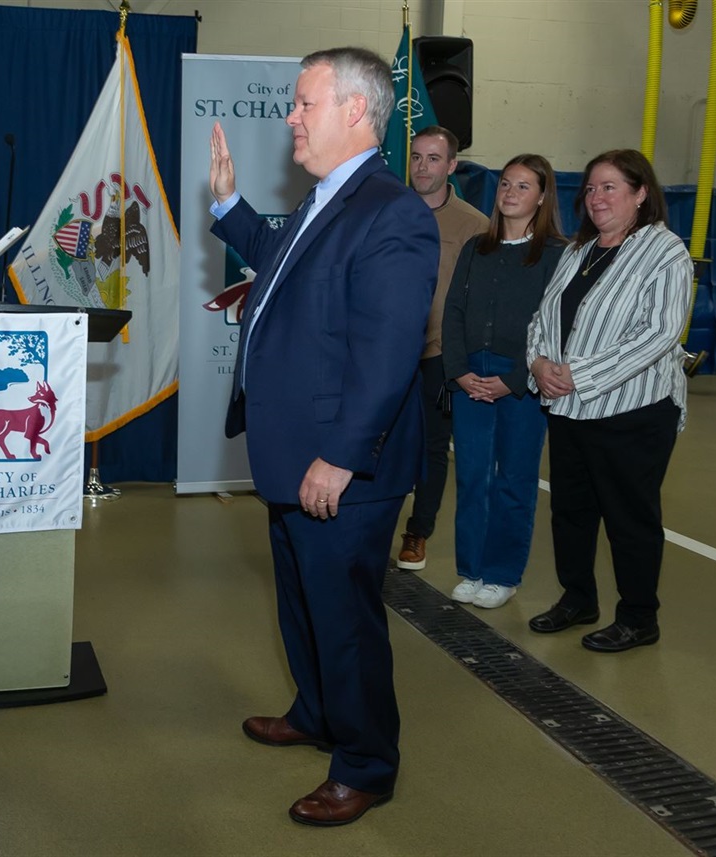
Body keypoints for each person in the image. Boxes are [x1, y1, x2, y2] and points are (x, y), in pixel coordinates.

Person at [208, 47, 437, 826]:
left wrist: (340, 455)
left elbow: (388, 349)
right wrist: (231, 207)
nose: (290, 118)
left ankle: (366, 762)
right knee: (304, 605)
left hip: (342, 463)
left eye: (305, 104)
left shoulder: (391, 211)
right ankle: (315, 711)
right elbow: (285, 263)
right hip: (292, 453)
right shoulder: (329, 199)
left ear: (356, 112)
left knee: (344, 620)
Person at [525, 149, 692, 652]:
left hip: (634, 411)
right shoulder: (580, 251)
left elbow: (659, 334)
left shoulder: (666, 253)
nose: (596, 198)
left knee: (629, 517)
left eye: (610, 187)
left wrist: (577, 375)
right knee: (571, 511)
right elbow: (543, 317)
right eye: (591, 189)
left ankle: (639, 616)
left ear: (642, 194)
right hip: (571, 409)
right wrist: (538, 364)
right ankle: (578, 598)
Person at [441, 155, 566, 609]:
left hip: (522, 380)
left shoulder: (556, 254)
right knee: (474, 476)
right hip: (471, 373)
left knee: (514, 478)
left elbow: (557, 328)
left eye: (523, 186)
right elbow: (453, 310)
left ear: (542, 196)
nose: (510, 193)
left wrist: (514, 380)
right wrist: (458, 370)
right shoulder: (478, 247)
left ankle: (502, 574)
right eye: (505, 184)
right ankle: (471, 568)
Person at [395, 126, 489, 571]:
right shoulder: (388, 210)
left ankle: (418, 532)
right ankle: (372, 524)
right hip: (386, 354)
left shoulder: (474, 226)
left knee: (433, 447)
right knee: (380, 440)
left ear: (452, 166)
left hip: (437, 355)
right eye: (416, 157)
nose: (422, 167)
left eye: (433, 158)